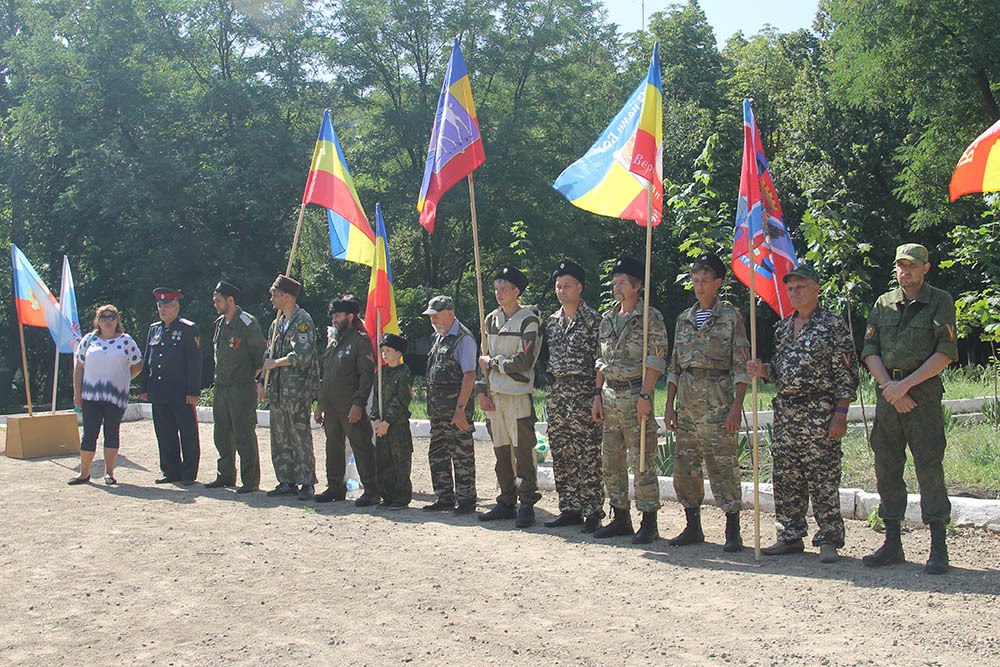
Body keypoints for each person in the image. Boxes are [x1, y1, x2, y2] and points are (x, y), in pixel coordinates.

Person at [746, 265, 858, 563]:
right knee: (786, 476)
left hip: (819, 412)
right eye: (791, 288)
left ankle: (829, 537)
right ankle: (790, 534)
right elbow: (781, 372)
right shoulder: (783, 327)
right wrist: (763, 371)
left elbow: (846, 375)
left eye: (801, 287)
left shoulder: (832, 325)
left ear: (816, 288)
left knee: (822, 476)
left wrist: (841, 413)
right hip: (786, 412)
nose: (795, 292)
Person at [861, 243, 958, 574]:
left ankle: (938, 546)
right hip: (889, 395)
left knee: (929, 467)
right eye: (901, 266)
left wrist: (906, 386)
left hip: (923, 395)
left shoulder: (940, 301)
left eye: (913, 266)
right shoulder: (883, 303)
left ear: (925, 268)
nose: (906, 272)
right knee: (887, 467)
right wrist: (890, 387)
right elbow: (870, 348)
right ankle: (892, 543)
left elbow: (944, 352)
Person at [664, 253, 750, 552]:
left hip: (718, 401)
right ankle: (692, 526)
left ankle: (732, 530)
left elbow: (741, 366)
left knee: (723, 465)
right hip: (687, 403)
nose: (699, 287)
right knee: (685, 467)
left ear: (718, 283)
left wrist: (736, 407)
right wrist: (669, 406)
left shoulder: (730, 317)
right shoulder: (684, 319)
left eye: (705, 281)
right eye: (695, 281)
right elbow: (674, 366)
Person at [591, 257, 667, 544]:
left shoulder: (650, 318)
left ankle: (649, 521)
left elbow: (656, 358)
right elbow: (601, 359)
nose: (616, 286)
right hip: (610, 395)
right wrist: (597, 395)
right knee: (611, 461)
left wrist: (646, 395)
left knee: (643, 461)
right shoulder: (608, 318)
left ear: (636, 286)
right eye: (615, 281)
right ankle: (620, 516)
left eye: (622, 282)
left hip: (636, 394)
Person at [541, 259, 605, 533]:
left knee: (587, 454)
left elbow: (600, 359)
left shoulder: (594, 320)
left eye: (567, 286)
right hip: (557, 394)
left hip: (583, 393)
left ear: (579, 287)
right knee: (562, 451)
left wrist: (597, 395)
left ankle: (592, 510)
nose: (562, 291)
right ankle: (569, 507)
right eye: (558, 286)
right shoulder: (552, 322)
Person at [477, 266, 543, 528]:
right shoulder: (490, 319)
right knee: (501, 452)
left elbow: (524, 360)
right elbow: (480, 359)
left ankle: (527, 502)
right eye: (496, 288)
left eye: (504, 288)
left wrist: (494, 363)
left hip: (517, 393)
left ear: (517, 291)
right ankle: (506, 500)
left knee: (523, 450)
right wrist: (482, 390)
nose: (499, 293)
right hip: (495, 395)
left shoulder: (529, 320)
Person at [260, 275, 320, 500]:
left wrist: (275, 364)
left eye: (275, 294)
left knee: (299, 435)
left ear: (287, 296)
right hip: (277, 390)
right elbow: (269, 353)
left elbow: (302, 355)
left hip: (296, 390)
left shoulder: (302, 321)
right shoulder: (277, 324)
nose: (271, 298)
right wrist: (262, 380)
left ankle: (306, 481)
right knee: (279, 436)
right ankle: (286, 479)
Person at [69, 305, 143, 485]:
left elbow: (138, 364)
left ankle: (109, 473)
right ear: (97, 320)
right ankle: (84, 473)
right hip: (91, 396)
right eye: (103, 317)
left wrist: (123, 378)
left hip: (115, 397)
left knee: (111, 432)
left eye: (111, 317)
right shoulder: (88, 340)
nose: (107, 320)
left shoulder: (126, 341)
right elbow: (79, 368)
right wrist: (77, 393)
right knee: (89, 434)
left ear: (117, 320)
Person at [313, 296, 377, 506]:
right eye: (332, 315)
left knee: (361, 446)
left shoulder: (361, 341)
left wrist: (358, 403)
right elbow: (328, 376)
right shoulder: (333, 343)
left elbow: (367, 375)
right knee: (333, 448)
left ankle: (371, 489)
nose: (334, 319)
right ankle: (334, 488)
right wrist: (320, 404)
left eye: (338, 315)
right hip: (331, 408)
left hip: (350, 407)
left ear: (350, 316)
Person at [206, 281, 266, 494]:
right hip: (221, 387)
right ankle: (225, 476)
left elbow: (261, 358)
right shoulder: (220, 323)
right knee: (221, 433)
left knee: (244, 434)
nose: (215, 304)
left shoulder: (247, 323)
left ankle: (250, 480)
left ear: (230, 300)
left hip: (241, 388)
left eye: (219, 300)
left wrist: (255, 380)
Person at [139, 288, 203, 486]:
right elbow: (147, 359)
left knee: (187, 433)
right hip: (159, 391)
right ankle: (170, 471)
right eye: (160, 305)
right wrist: (143, 388)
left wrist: (193, 391)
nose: (162, 309)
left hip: (181, 392)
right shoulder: (154, 329)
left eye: (166, 305)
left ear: (176, 306)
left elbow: (195, 363)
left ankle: (188, 473)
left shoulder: (188, 329)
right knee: (164, 433)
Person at [422, 295, 478, 515]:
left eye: (437, 315)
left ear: (450, 313)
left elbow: (469, 374)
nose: (434, 320)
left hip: (457, 413)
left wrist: (461, 409)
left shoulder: (463, 338)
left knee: (462, 455)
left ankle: (466, 500)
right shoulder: (438, 338)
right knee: (438, 454)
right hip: (438, 413)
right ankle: (444, 497)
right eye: (431, 317)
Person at [370, 333, 413, 510]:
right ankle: (386, 495)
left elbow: (402, 399)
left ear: (398, 352)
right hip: (381, 426)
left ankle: (401, 497)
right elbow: (376, 398)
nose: (384, 354)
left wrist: (387, 422)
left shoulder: (404, 372)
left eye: (388, 351)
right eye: (382, 351)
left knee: (400, 462)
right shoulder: (381, 373)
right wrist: (375, 419)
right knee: (383, 461)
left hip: (397, 426)